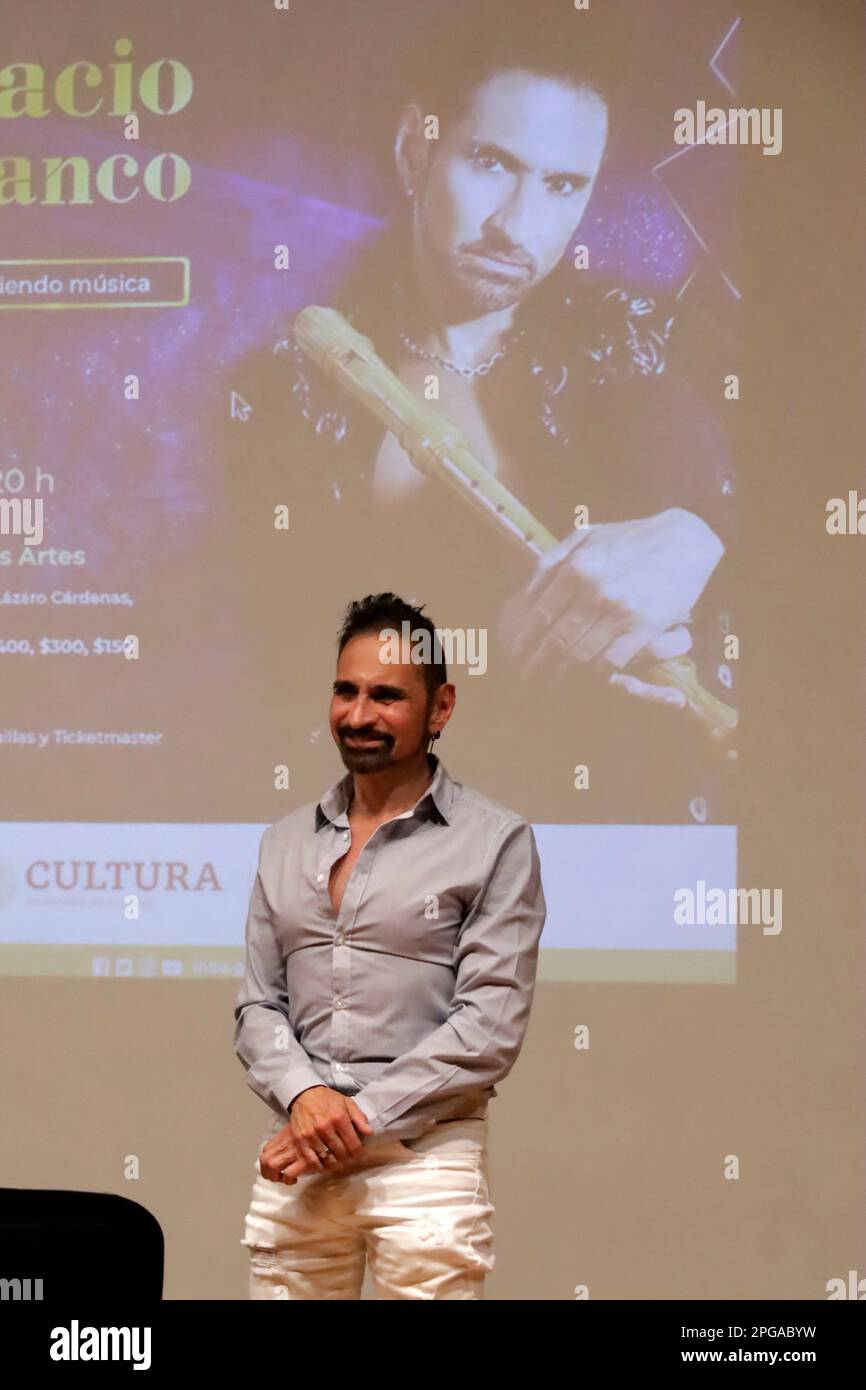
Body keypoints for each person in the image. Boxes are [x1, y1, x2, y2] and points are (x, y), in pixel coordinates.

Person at [225, 0, 737, 825]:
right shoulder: (285, 394)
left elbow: (813, 537)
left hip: (656, 855)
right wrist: (498, 654)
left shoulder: (661, 340)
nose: (517, 226)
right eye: (492, 163)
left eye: (564, 184)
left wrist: (707, 538)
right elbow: (280, 693)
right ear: (414, 149)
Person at [234, 592, 547, 1299]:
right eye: (345, 690)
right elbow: (257, 1006)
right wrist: (308, 1095)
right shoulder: (283, 841)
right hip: (300, 1159)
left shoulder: (495, 842)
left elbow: (489, 1025)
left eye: (387, 696)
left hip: (425, 1163)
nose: (358, 714)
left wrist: (352, 1119)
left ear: (439, 710)